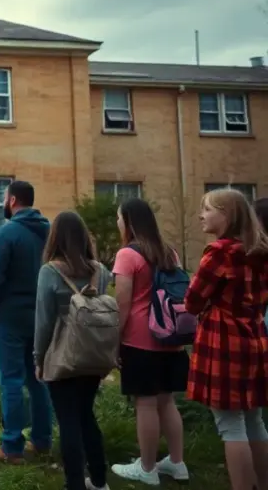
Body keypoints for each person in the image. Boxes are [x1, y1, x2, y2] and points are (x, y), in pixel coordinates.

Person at [185, 188, 268, 490]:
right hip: (255, 340)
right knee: (253, 420)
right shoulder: (260, 251)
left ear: (226, 215)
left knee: (230, 425)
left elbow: (193, 299)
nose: (201, 215)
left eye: (207, 209)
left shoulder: (220, 252)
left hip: (223, 342)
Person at [109, 198, 190, 485]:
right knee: (167, 402)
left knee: (145, 403)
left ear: (129, 221)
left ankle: (146, 468)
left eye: (119, 218)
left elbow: (122, 303)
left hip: (141, 339)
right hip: (172, 337)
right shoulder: (170, 252)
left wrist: (114, 342)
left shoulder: (127, 254)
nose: (117, 223)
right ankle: (177, 463)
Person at [33, 210, 113, 490]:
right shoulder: (100, 271)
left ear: (55, 237)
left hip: (62, 352)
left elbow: (43, 320)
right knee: (86, 414)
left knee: (67, 419)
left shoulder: (50, 271)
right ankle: (100, 481)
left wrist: (38, 357)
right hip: (93, 352)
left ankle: (75, 483)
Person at [0, 180, 53, 462]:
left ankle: (11, 446)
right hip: (42, 315)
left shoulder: (7, 232)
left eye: (3, 198)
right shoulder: (49, 231)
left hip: (10, 315)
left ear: (11, 201)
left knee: (11, 379)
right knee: (39, 378)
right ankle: (43, 439)